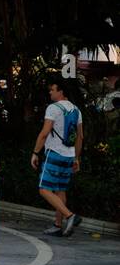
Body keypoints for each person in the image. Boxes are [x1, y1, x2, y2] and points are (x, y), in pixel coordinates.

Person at [32, 80, 83, 236]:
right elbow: (80, 137)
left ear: (61, 92)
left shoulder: (53, 108)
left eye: (52, 89)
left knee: (44, 189)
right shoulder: (76, 110)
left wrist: (35, 152)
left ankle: (70, 216)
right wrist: (76, 158)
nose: (50, 92)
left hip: (54, 153)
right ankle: (58, 224)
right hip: (69, 155)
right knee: (60, 190)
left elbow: (45, 132)